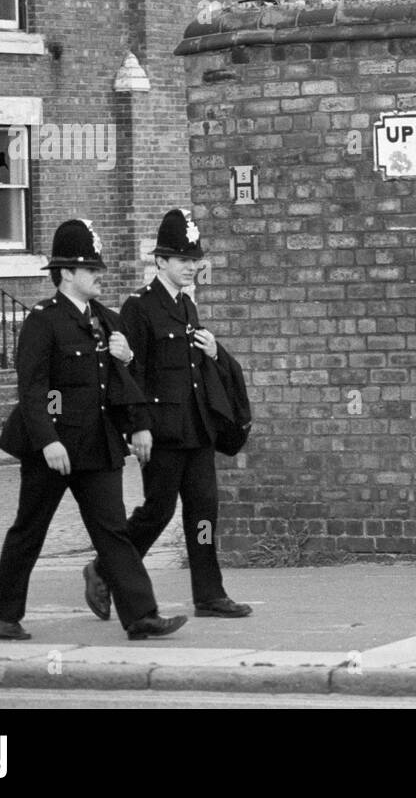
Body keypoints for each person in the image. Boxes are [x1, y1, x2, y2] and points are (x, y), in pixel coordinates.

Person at [0, 219, 187, 641]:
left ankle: (141, 615)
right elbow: (33, 388)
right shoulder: (44, 321)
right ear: (65, 274)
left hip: (96, 446)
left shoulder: (108, 320)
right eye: (90, 269)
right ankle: (4, 614)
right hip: (54, 447)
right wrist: (47, 441)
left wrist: (136, 412)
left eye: (99, 269)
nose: (99, 276)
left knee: (112, 532)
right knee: (30, 528)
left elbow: (117, 384)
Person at [83, 209, 251, 620]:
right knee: (157, 511)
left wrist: (214, 351)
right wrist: (138, 427)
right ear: (160, 261)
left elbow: (195, 371)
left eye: (195, 260)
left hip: (196, 428)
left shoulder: (186, 307)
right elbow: (128, 372)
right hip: (161, 432)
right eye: (183, 260)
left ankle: (209, 593)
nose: (191, 267)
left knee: (204, 510)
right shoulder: (139, 308)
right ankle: (104, 569)